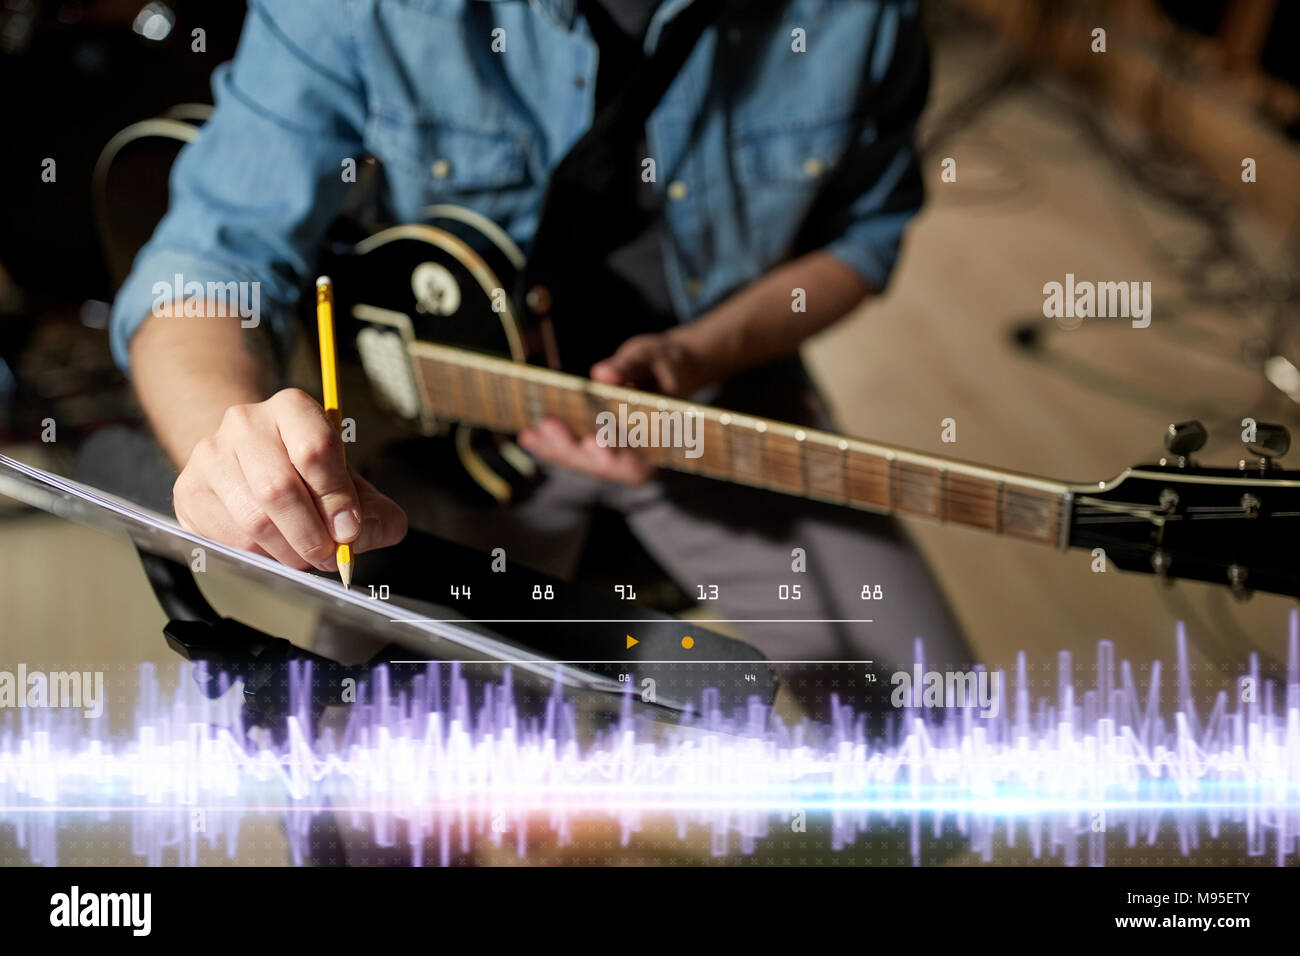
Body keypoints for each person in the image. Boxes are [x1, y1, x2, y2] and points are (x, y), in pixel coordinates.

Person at [109, 0, 971, 688]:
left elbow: (863, 241)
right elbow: (209, 259)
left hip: (717, 407)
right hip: (447, 453)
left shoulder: (863, 15)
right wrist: (225, 439)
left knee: (935, 736)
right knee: (363, 810)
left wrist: (699, 358)